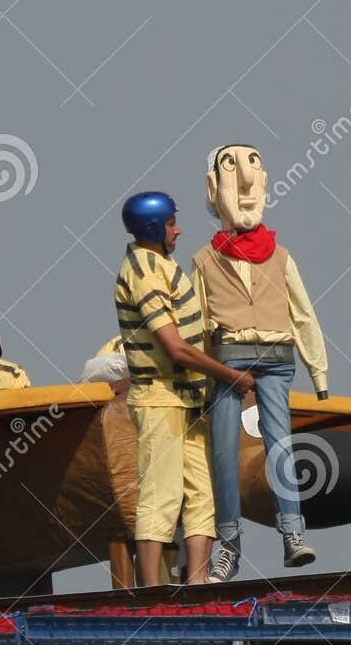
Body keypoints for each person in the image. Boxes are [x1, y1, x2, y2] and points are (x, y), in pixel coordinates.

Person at [194, 144, 330, 580]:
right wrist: (198, 379)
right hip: (227, 362)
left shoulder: (281, 255)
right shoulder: (204, 260)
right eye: (232, 169)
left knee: (281, 448)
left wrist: (318, 371)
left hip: (276, 358)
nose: (246, 181)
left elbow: (304, 312)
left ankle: (292, 533)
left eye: (254, 166)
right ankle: (229, 544)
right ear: (213, 189)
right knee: (223, 454)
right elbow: (196, 325)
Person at [114, 191, 252, 587]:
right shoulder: (143, 271)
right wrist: (231, 375)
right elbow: (175, 347)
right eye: (173, 223)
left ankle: (197, 586)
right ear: (155, 229)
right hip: (160, 398)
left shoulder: (162, 263)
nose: (180, 229)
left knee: (201, 494)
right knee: (161, 496)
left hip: (190, 400)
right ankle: (152, 593)